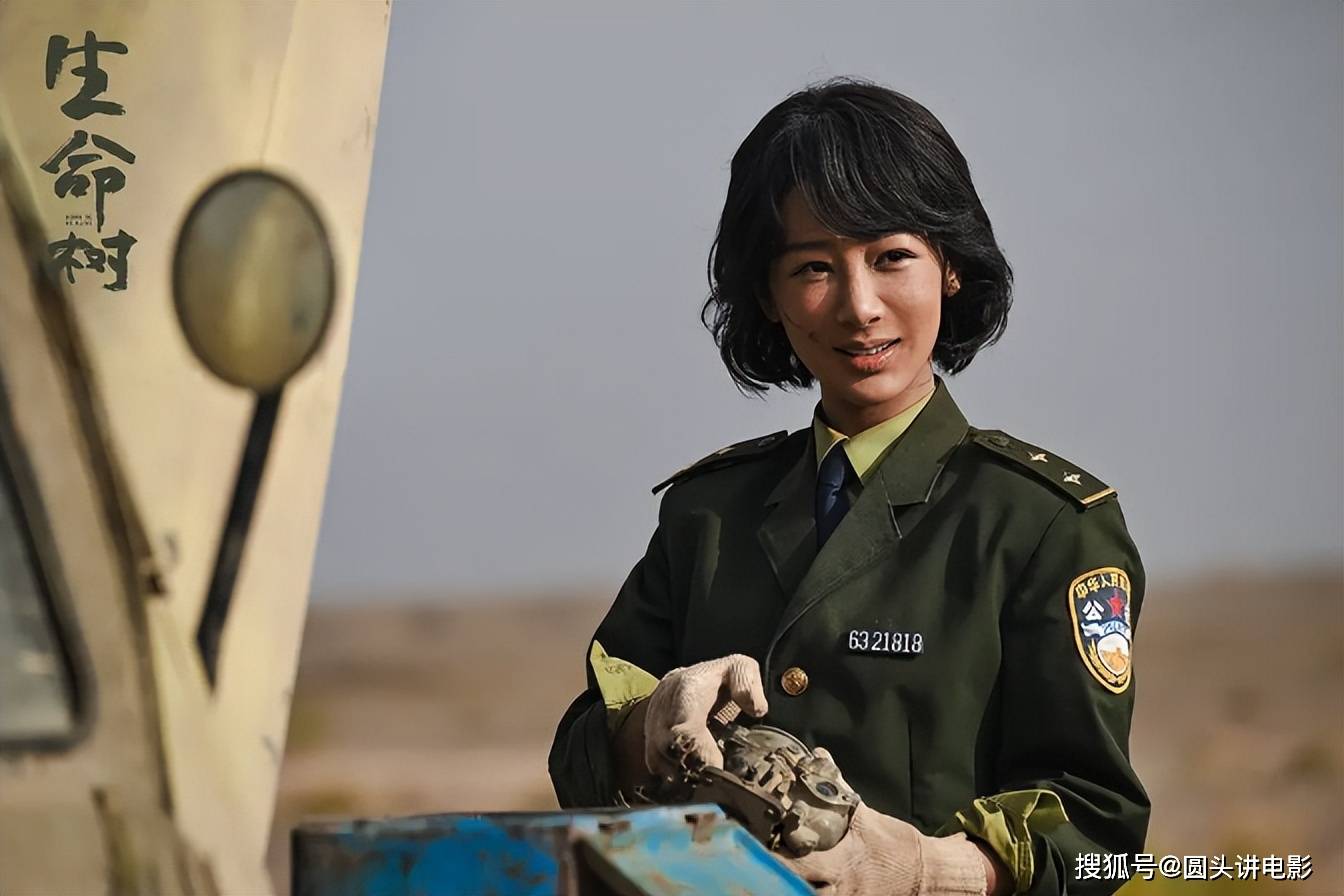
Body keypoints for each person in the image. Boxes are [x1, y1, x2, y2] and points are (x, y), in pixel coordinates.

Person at [549, 78, 1148, 896]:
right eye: (813, 267)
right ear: (768, 295)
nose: (860, 306)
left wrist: (921, 870)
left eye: (891, 256)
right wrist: (653, 721)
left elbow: (1096, 830)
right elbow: (578, 759)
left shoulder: (1041, 525)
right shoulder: (706, 515)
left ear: (951, 268)